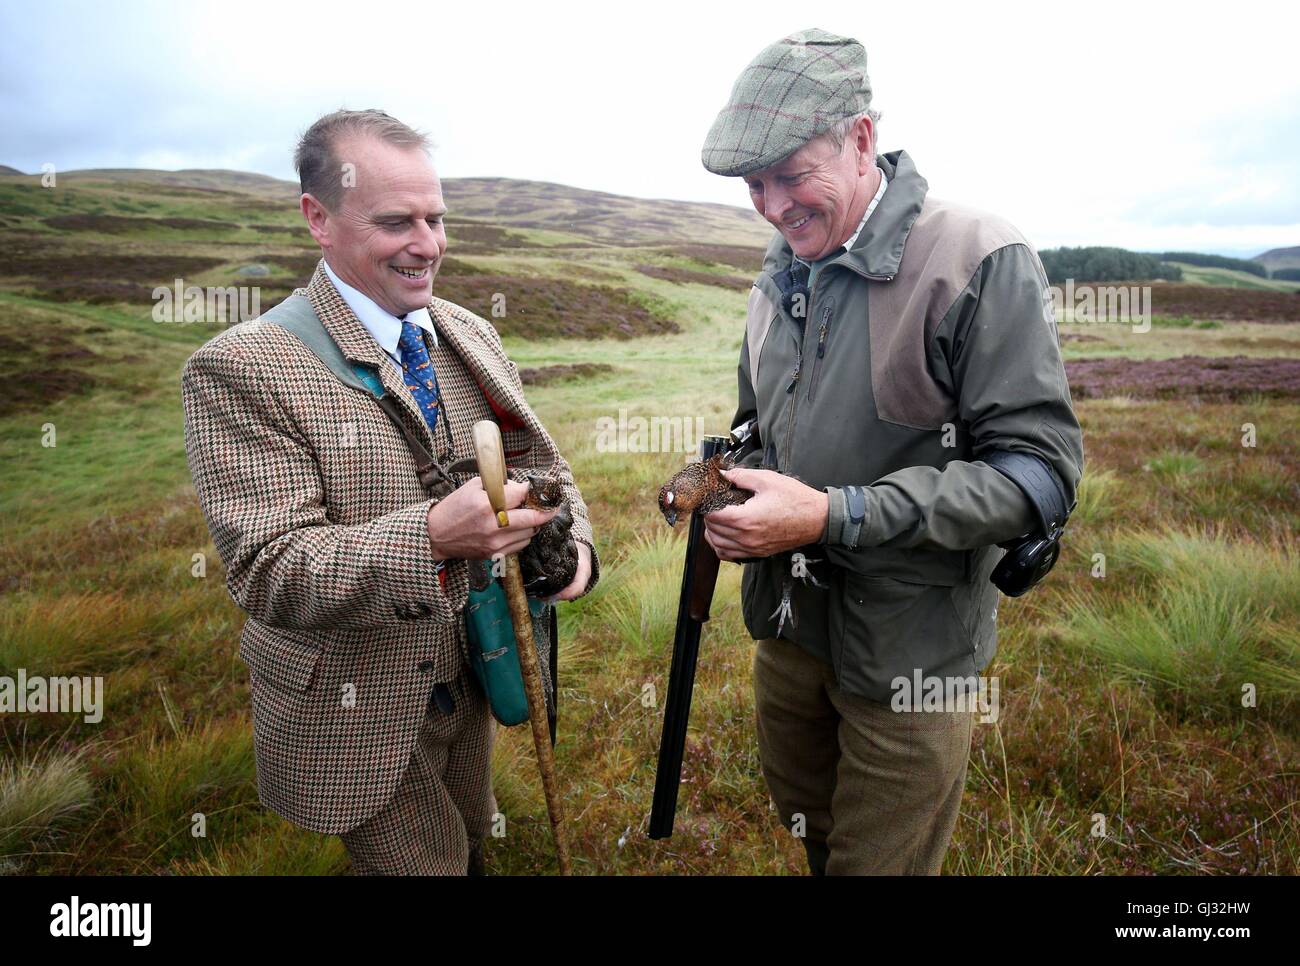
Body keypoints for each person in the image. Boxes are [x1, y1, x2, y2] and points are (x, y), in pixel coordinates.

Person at [698, 29, 1084, 874]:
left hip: (913, 658)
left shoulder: (978, 256)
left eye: (791, 175)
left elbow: (1038, 473)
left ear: (862, 138)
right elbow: (756, 425)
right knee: (815, 840)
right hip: (790, 634)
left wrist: (834, 516)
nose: (770, 205)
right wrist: (716, 483)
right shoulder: (780, 276)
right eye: (754, 184)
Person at [181, 109, 598, 875]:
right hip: (356, 708)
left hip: (477, 674)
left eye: (437, 218)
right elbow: (270, 567)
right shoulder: (241, 368)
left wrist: (574, 554)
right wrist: (434, 537)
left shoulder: (468, 333)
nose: (429, 244)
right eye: (396, 222)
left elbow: (547, 467)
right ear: (319, 218)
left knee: (473, 845)